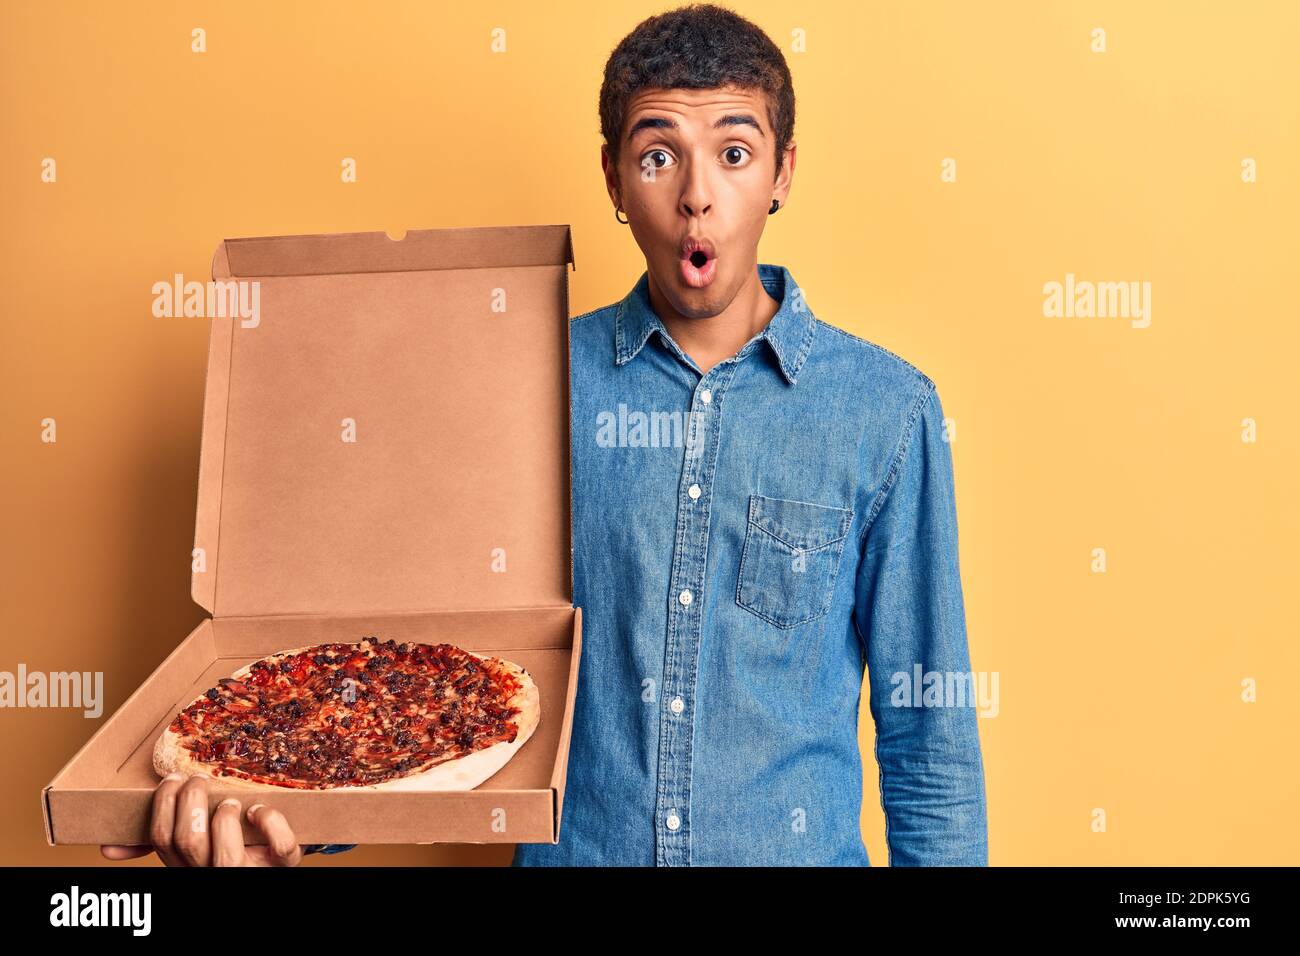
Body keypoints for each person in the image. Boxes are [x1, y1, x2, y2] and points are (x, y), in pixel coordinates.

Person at [104, 2, 987, 867]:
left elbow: (930, 749)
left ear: (782, 172)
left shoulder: (887, 413)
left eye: (733, 152)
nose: (696, 197)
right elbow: (421, 678)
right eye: (657, 156)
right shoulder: (522, 384)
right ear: (613, 178)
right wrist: (284, 814)